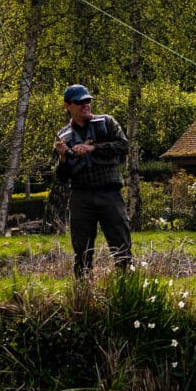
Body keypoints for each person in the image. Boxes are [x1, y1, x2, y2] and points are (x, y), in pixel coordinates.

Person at [53, 83, 133, 275]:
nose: (85, 105)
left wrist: (93, 148)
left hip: (110, 194)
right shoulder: (63, 138)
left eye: (87, 101)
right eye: (80, 102)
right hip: (81, 197)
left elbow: (124, 146)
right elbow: (62, 178)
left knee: (121, 246)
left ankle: (127, 288)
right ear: (67, 106)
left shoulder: (107, 122)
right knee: (82, 251)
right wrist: (63, 158)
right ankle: (83, 292)